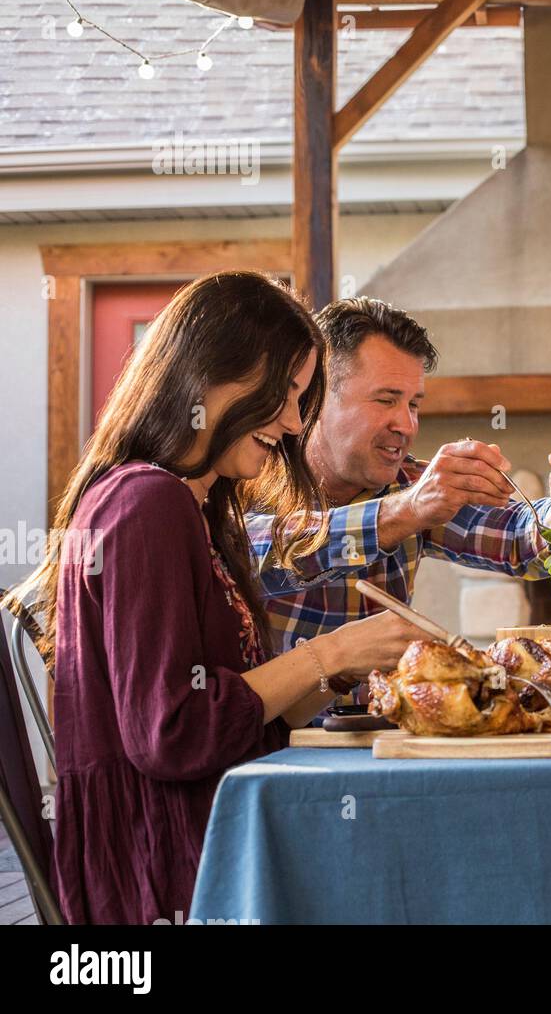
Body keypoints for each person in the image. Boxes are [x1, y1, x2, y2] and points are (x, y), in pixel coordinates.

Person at [7, 272, 427, 924]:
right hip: (165, 868)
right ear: (213, 374)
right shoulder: (147, 503)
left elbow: (233, 721)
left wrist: (340, 671)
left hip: (189, 833)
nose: (292, 423)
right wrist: (331, 647)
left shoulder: (191, 507)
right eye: (285, 394)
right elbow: (172, 733)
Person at [246, 298, 551, 693]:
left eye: (414, 404)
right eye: (386, 400)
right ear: (315, 399)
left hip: (383, 735)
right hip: (275, 742)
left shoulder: (409, 485)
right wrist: (406, 511)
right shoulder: (250, 466)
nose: (406, 425)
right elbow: (258, 556)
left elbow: (519, 544)